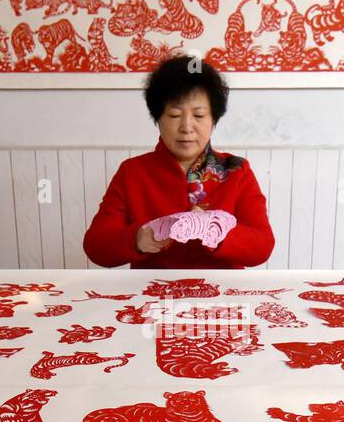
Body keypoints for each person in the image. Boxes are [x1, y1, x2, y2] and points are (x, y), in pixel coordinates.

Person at [82, 54, 275, 268]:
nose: (186, 127)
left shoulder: (236, 169)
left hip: (222, 295)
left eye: (199, 115)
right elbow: (96, 246)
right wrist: (137, 238)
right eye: (174, 115)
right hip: (153, 295)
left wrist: (215, 230)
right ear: (158, 118)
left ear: (213, 119)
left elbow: (263, 246)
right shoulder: (133, 172)